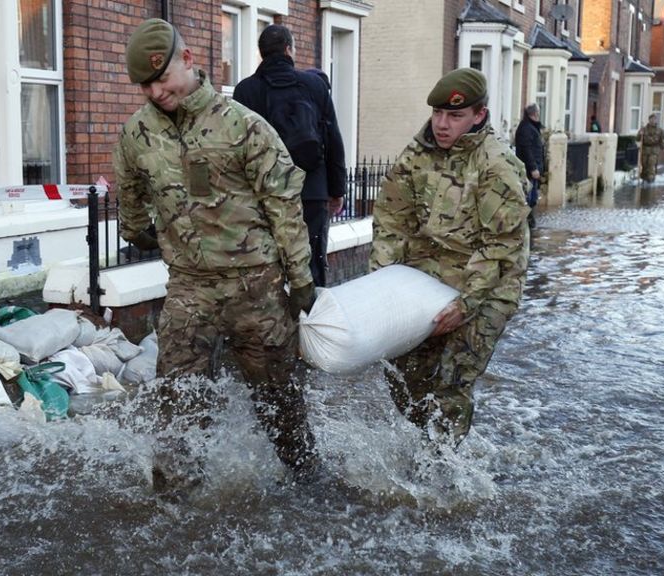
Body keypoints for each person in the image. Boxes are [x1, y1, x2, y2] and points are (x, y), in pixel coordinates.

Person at [113, 19, 320, 489]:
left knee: (279, 399)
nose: (155, 93)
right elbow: (129, 198)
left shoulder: (243, 125)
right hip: (189, 290)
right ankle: (176, 505)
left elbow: (283, 206)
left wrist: (301, 279)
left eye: (161, 80)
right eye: (145, 85)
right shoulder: (137, 135)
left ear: (187, 61)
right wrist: (141, 233)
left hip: (257, 288)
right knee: (178, 403)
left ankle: (307, 479)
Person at [370, 68, 530, 447]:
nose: (442, 125)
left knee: (451, 380)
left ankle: (446, 476)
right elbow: (392, 219)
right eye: (437, 114)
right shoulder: (417, 154)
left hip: (490, 285)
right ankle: (427, 443)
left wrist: (467, 304)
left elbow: (501, 246)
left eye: (455, 116)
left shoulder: (496, 165)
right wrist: (382, 283)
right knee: (403, 373)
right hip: (429, 275)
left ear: (479, 115)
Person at [232, 24, 347, 288]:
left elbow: (236, 149)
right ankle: (312, 322)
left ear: (262, 54)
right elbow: (333, 140)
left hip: (264, 196)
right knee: (312, 265)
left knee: (267, 265)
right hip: (311, 191)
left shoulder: (245, 91)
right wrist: (336, 190)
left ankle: (272, 325)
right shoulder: (315, 86)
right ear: (289, 50)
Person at [514, 103, 544, 228]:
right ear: (534, 114)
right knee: (529, 199)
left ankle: (529, 223)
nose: (538, 115)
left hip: (532, 169)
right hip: (528, 170)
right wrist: (533, 168)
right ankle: (526, 224)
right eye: (537, 113)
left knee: (532, 198)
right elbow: (527, 150)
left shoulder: (530, 127)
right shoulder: (526, 128)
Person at [636, 113, 664, 183]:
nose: (653, 121)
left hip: (654, 151)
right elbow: (637, 138)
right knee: (644, 165)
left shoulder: (660, 130)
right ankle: (644, 179)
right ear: (649, 120)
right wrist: (640, 134)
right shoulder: (644, 129)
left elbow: (661, 140)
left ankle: (651, 181)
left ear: (656, 120)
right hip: (645, 150)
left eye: (654, 119)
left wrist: (663, 147)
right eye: (651, 119)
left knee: (651, 165)